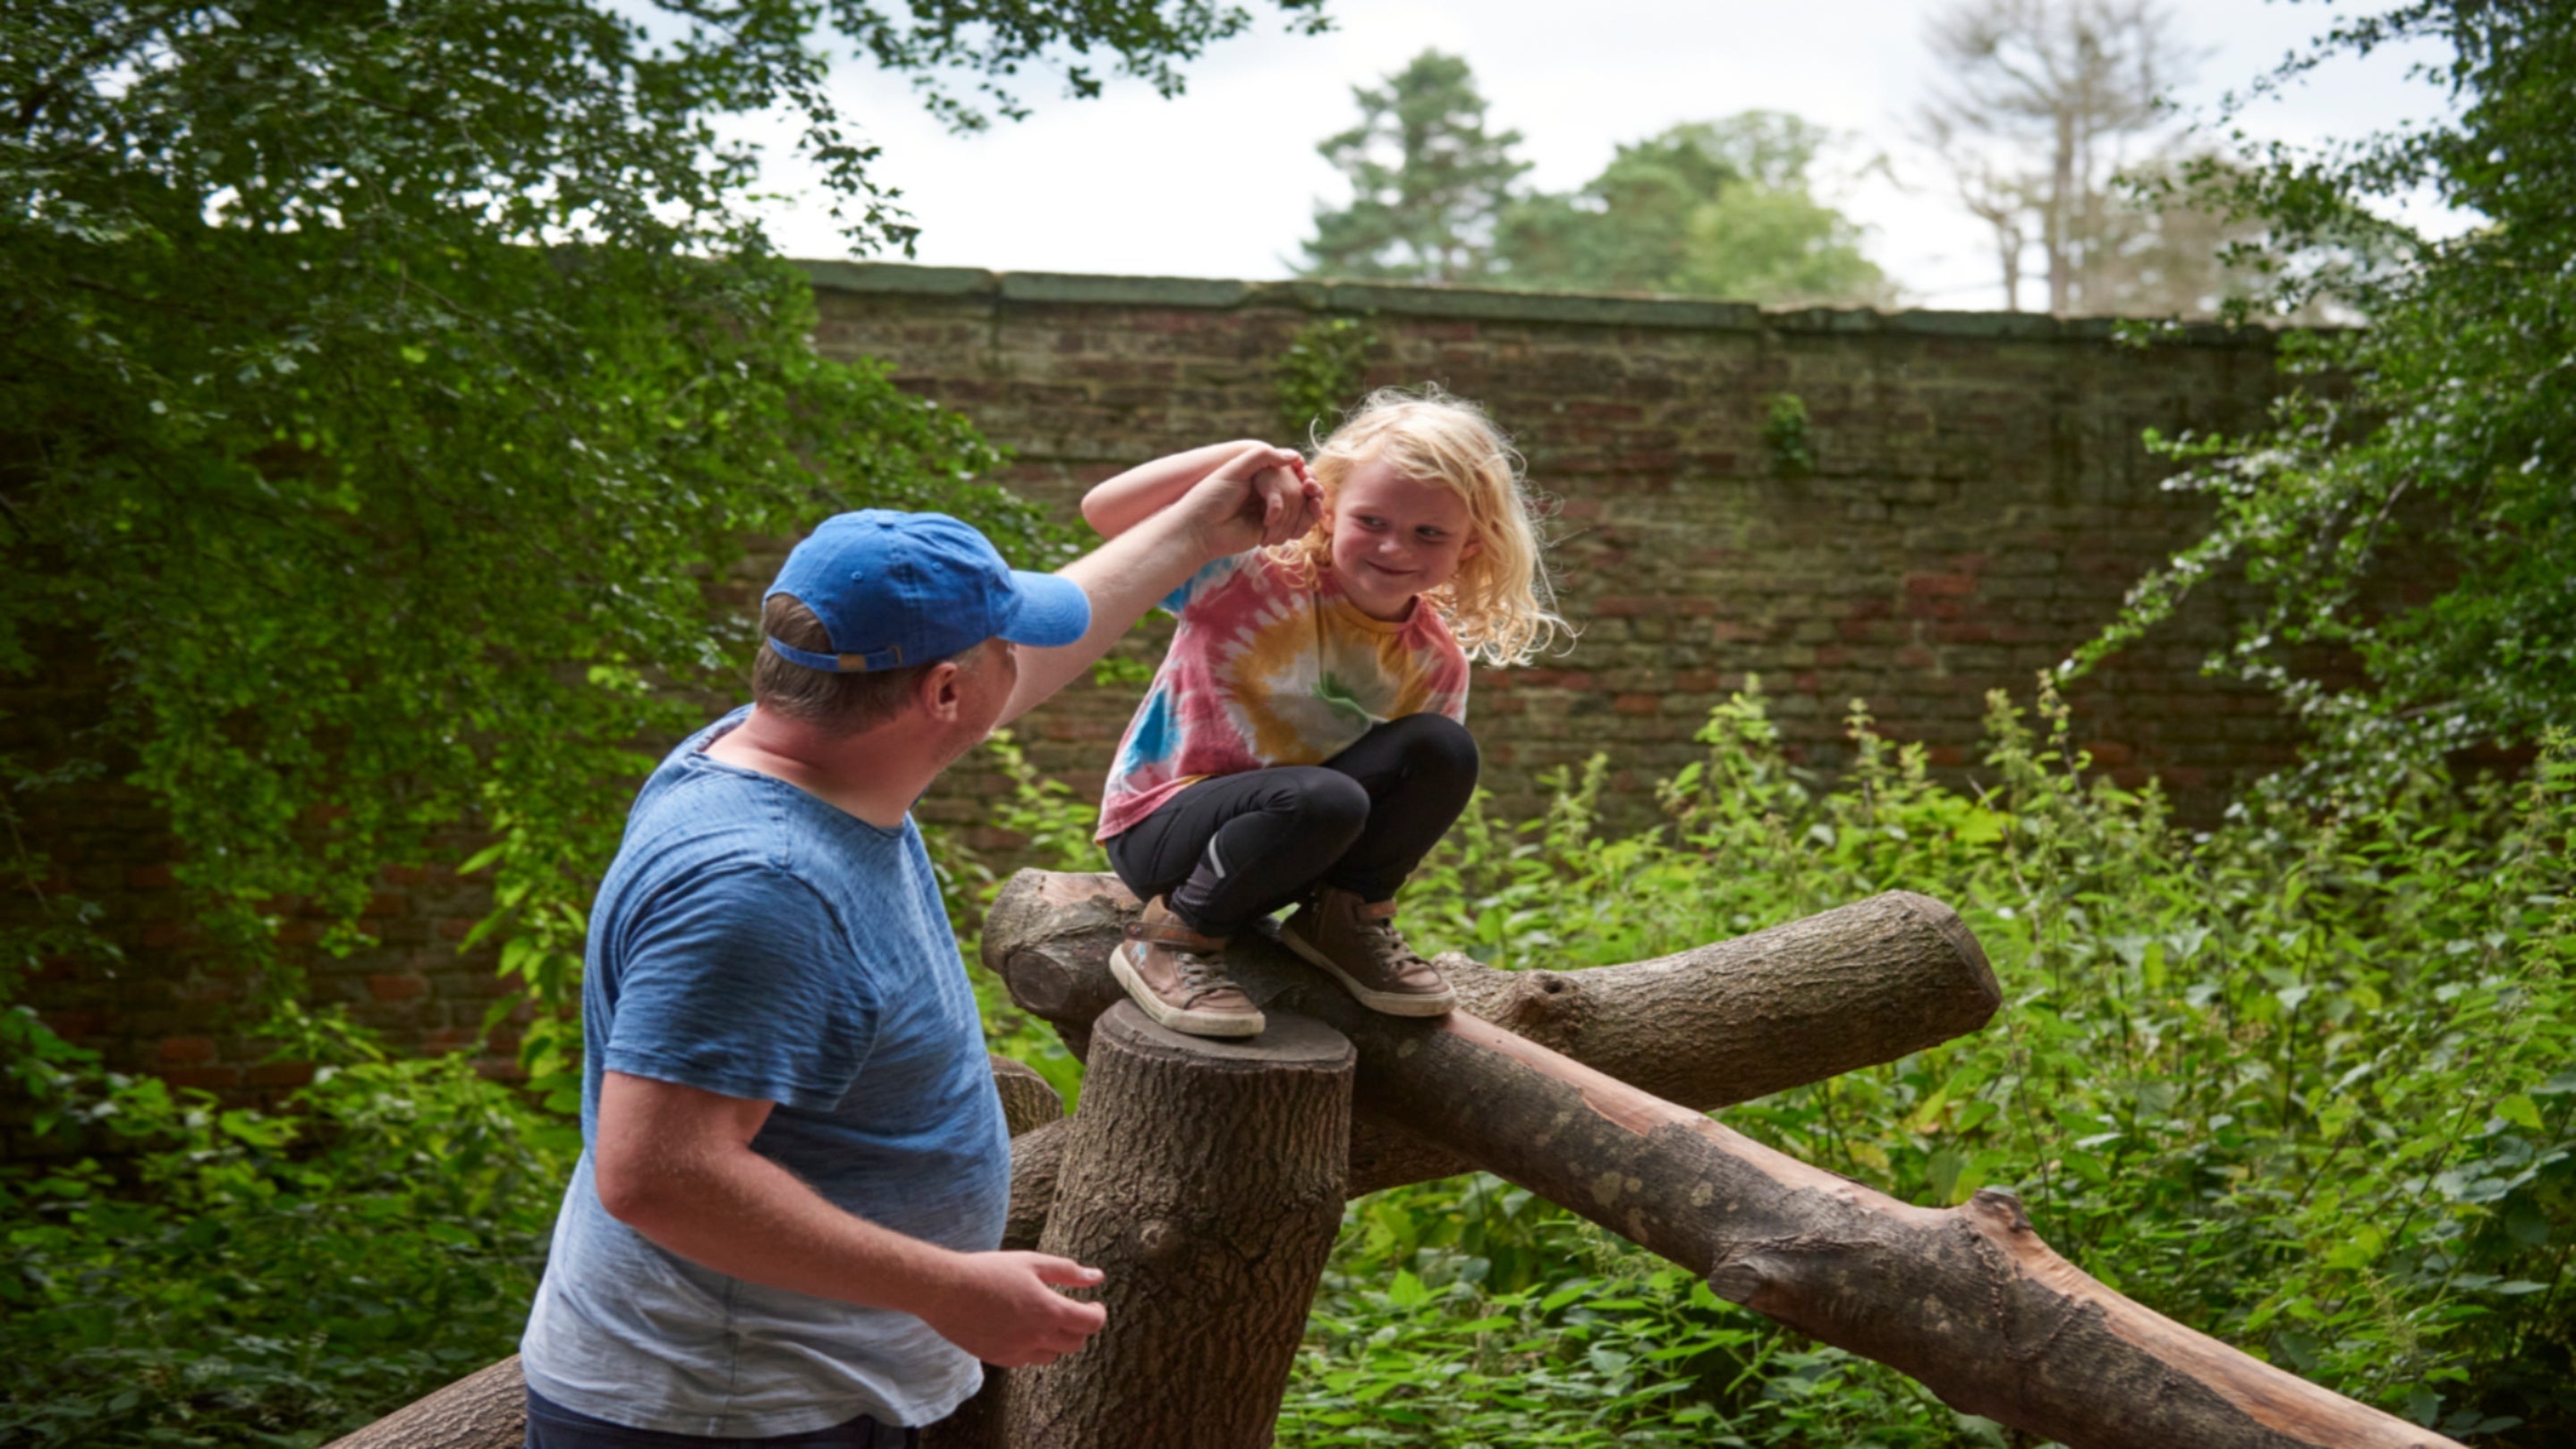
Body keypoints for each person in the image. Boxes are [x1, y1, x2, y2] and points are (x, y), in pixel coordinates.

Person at [517, 442, 1316, 1448]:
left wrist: (1200, 531)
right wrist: (949, 1289)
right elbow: (659, 1173)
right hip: (730, 1412)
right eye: (1000, 647)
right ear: (942, 694)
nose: (1017, 666)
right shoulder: (759, 888)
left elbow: (1013, 666)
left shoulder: (792, 740)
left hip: (804, 1383)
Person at [1085, 387, 1567, 1039]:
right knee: (1323, 798)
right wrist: (1247, 456)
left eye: (1428, 533)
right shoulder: (1244, 576)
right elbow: (1105, 513)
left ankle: (1342, 920)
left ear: (1471, 546)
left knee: (1442, 749)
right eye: (1372, 522)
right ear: (1330, 510)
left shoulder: (1434, 659)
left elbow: (1402, 801)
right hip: (1163, 829)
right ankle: (1174, 937)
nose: (1395, 548)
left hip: (1294, 839)